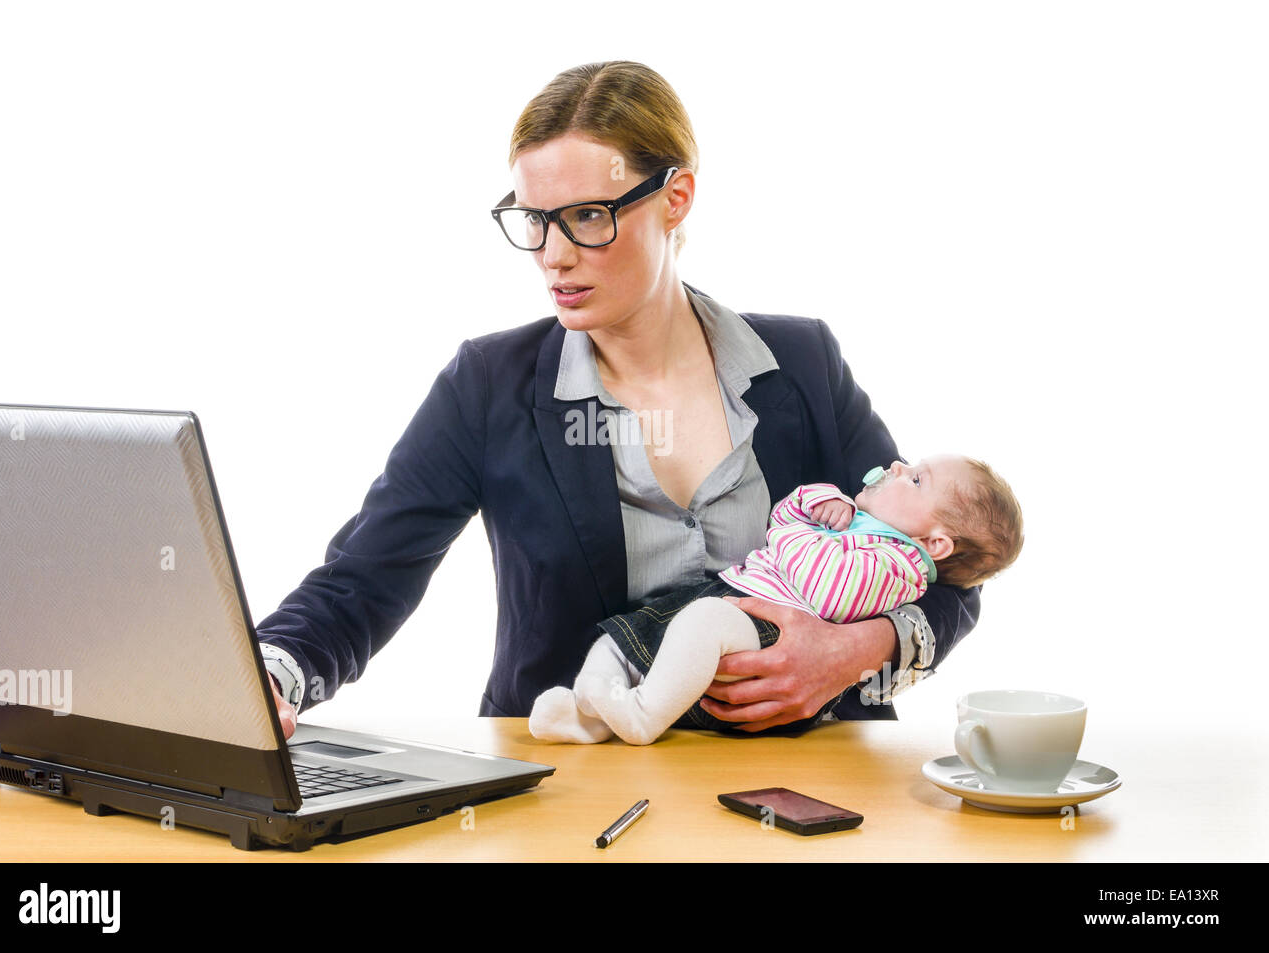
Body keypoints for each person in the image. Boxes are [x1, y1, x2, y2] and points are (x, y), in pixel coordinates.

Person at [257, 61, 982, 741]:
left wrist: (853, 649)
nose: (554, 254)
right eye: (534, 220)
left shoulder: (802, 363)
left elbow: (948, 566)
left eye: (587, 217)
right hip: (573, 780)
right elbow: (362, 579)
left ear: (675, 199)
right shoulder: (488, 384)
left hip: (804, 784)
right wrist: (269, 674)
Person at [529, 455, 1023, 745]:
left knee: (703, 623)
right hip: (734, 595)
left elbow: (820, 584)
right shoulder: (855, 519)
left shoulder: (899, 564)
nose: (895, 464)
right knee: (625, 634)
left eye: (915, 478)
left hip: (771, 631)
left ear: (936, 544)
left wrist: (790, 529)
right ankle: (589, 713)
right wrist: (814, 504)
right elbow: (789, 508)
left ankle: (640, 717)